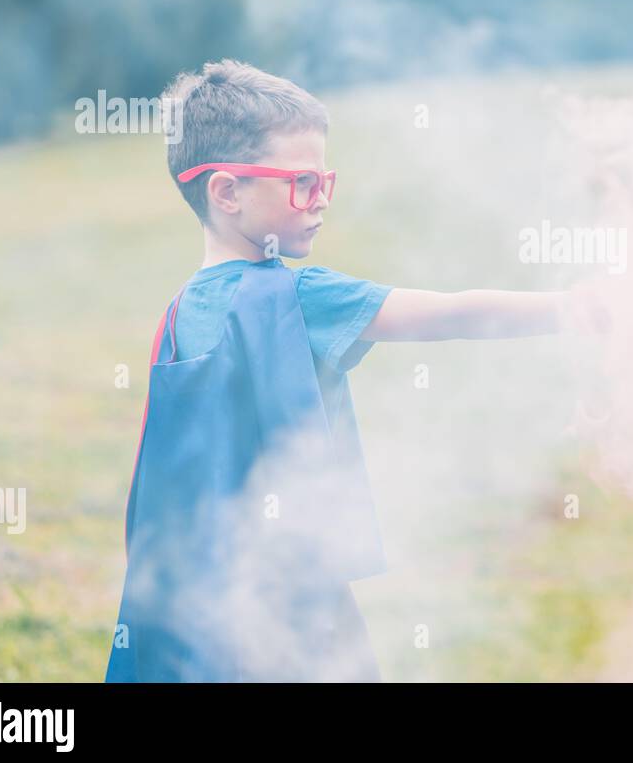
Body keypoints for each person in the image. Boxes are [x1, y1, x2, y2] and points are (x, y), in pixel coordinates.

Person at [105, 59, 593, 682]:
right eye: (302, 183)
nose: (321, 202)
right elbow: (451, 314)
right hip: (279, 610)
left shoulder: (177, 313)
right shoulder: (293, 294)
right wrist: (579, 308)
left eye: (326, 182)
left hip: (188, 604)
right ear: (226, 192)